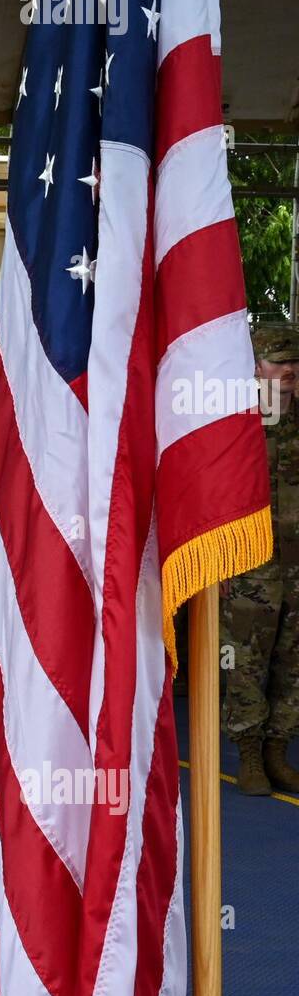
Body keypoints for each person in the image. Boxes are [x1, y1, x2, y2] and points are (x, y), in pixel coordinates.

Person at [221, 321, 299, 794]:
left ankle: (278, 751)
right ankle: (249, 754)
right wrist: (223, 560)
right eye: (278, 361)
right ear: (256, 367)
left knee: (293, 662)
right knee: (246, 660)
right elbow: (215, 496)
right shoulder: (237, 423)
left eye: (294, 362)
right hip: (252, 563)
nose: (288, 370)